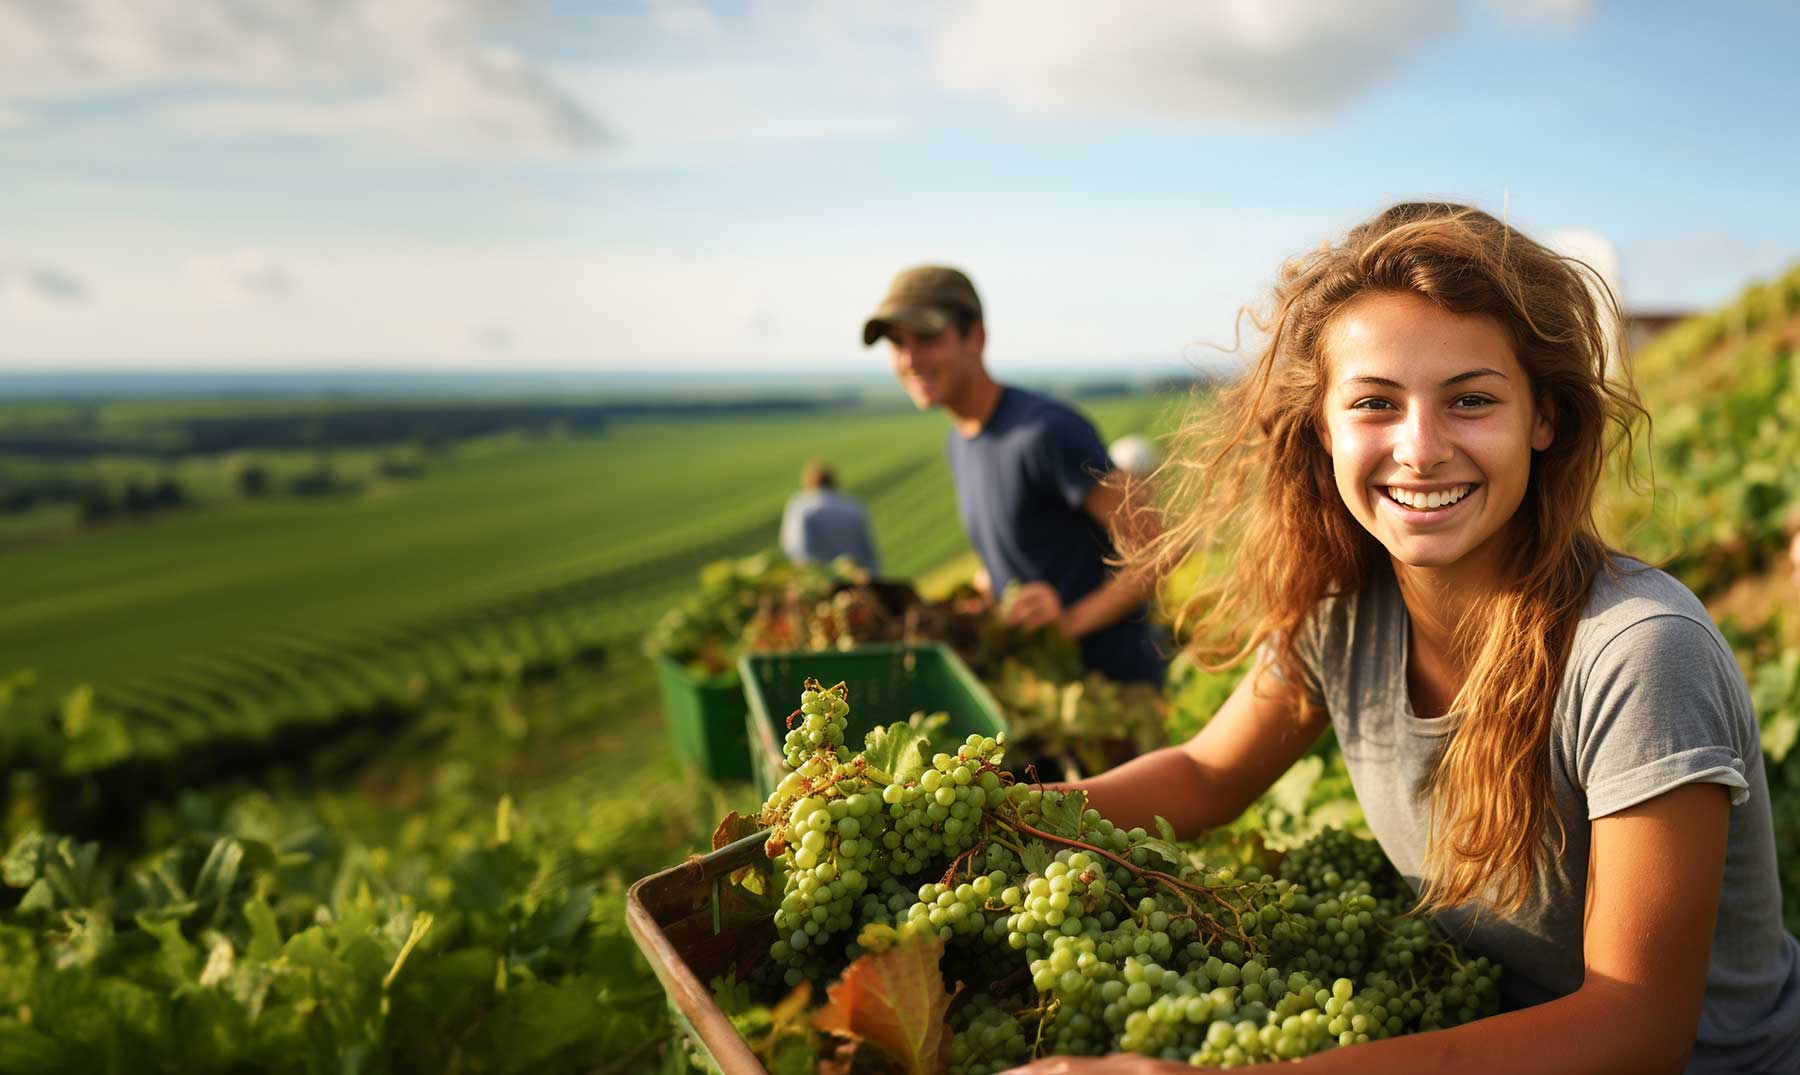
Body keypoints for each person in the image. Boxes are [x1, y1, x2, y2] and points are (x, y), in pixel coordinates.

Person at [1001, 204, 1800, 1073]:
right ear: (1324, 428)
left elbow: (1636, 1028)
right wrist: (995, 817)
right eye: (1376, 403)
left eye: (1471, 400)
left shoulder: (1641, 653)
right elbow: (1205, 773)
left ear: (1545, 419)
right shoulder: (1348, 615)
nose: (1419, 448)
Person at [862, 265, 1166, 684]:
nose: (910, 359)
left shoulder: (1046, 432)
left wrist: (1069, 621)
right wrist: (989, 590)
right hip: (1039, 691)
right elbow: (1032, 544)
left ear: (977, 338)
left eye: (928, 338)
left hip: (1114, 702)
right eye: (897, 343)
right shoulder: (960, 442)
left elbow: (1158, 546)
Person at [778, 460, 879, 573]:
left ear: (808, 482)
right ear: (833, 481)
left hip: (820, 579)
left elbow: (795, 547)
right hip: (855, 577)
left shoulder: (801, 506)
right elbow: (867, 548)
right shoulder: (853, 506)